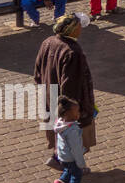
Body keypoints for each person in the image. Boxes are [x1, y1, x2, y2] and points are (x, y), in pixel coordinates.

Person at [33, 13, 95, 171]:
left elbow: (37, 72)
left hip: (50, 97)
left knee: (59, 133)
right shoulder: (72, 52)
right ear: (72, 30)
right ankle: (70, 167)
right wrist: (73, 109)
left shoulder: (48, 42)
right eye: (79, 26)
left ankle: (57, 158)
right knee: (72, 137)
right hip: (68, 104)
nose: (81, 28)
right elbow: (70, 85)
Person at [45, 96, 88, 183]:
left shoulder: (60, 124)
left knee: (68, 172)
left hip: (63, 156)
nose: (78, 113)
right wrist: (81, 163)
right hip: (72, 157)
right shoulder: (72, 130)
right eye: (77, 112)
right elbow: (76, 148)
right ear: (68, 114)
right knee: (76, 175)